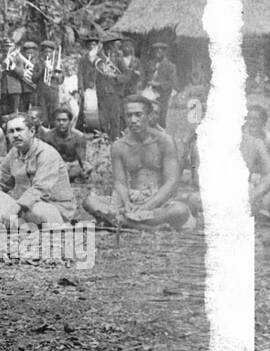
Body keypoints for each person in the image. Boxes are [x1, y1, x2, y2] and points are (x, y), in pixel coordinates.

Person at [85, 96, 195, 229]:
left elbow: (171, 181)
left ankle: (122, 221)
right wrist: (126, 202)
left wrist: (147, 206)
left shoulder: (165, 142)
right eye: (128, 116)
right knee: (89, 201)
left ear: (148, 116)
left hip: (158, 200)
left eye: (138, 115)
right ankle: (144, 226)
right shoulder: (119, 146)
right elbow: (120, 181)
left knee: (180, 210)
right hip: (131, 199)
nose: (133, 120)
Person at [0, 111, 77, 228]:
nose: (15, 135)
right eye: (11, 131)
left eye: (19, 130)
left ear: (31, 132)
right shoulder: (14, 152)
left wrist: (14, 208)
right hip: (24, 206)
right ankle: (15, 225)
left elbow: (40, 189)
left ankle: (15, 226)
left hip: (53, 206)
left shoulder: (46, 153)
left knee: (38, 210)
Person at [241, 104, 270, 212]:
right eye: (249, 118)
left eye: (256, 119)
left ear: (263, 121)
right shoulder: (241, 137)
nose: (252, 122)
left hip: (262, 177)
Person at [93, 36, 129, 141]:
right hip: (102, 93)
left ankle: (115, 140)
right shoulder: (98, 59)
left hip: (115, 93)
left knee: (115, 119)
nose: (115, 47)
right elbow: (92, 74)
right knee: (103, 119)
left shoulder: (118, 58)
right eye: (113, 45)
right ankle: (104, 140)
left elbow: (127, 75)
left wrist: (116, 78)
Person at [39, 106, 89, 181]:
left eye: (64, 120)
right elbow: (44, 159)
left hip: (72, 167)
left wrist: (86, 167)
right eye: (58, 120)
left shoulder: (78, 137)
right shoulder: (48, 137)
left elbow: (82, 161)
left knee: (80, 169)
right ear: (54, 121)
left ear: (70, 121)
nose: (61, 123)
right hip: (54, 167)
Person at [144, 42, 177, 131]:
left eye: (161, 50)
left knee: (161, 115)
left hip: (162, 94)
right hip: (149, 93)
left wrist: (158, 84)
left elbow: (171, 83)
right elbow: (145, 77)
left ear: (164, 52)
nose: (158, 52)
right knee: (148, 113)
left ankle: (161, 135)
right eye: (156, 50)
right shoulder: (150, 64)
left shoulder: (170, 66)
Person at [35, 40, 63, 121]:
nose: (48, 54)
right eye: (46, 52)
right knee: (43, 116)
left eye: (50, 52)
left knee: (54, 114)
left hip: (54, 92)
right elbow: (34, 79)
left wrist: (52, 71)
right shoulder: (38, 63)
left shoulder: (57, 64)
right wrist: (44, 68)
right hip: (42, 92)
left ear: (53, 53)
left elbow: (61, 80)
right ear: (43, 53)